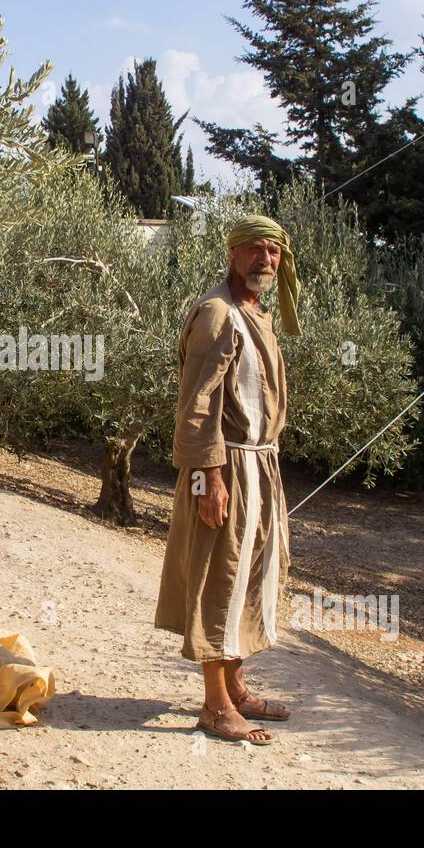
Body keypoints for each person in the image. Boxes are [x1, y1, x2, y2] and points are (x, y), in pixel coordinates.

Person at [154, 214, 301, 745]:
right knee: (218, 576)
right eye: (255, 251)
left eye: (274, 253)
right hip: (223, 470)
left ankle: (236, 689)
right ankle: (215, 706)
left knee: (249, 575)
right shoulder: (218, 314)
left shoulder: (256, 313)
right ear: (233, 253)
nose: (266, 261)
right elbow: (196, 405)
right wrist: (209, 478)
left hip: (260, 467)